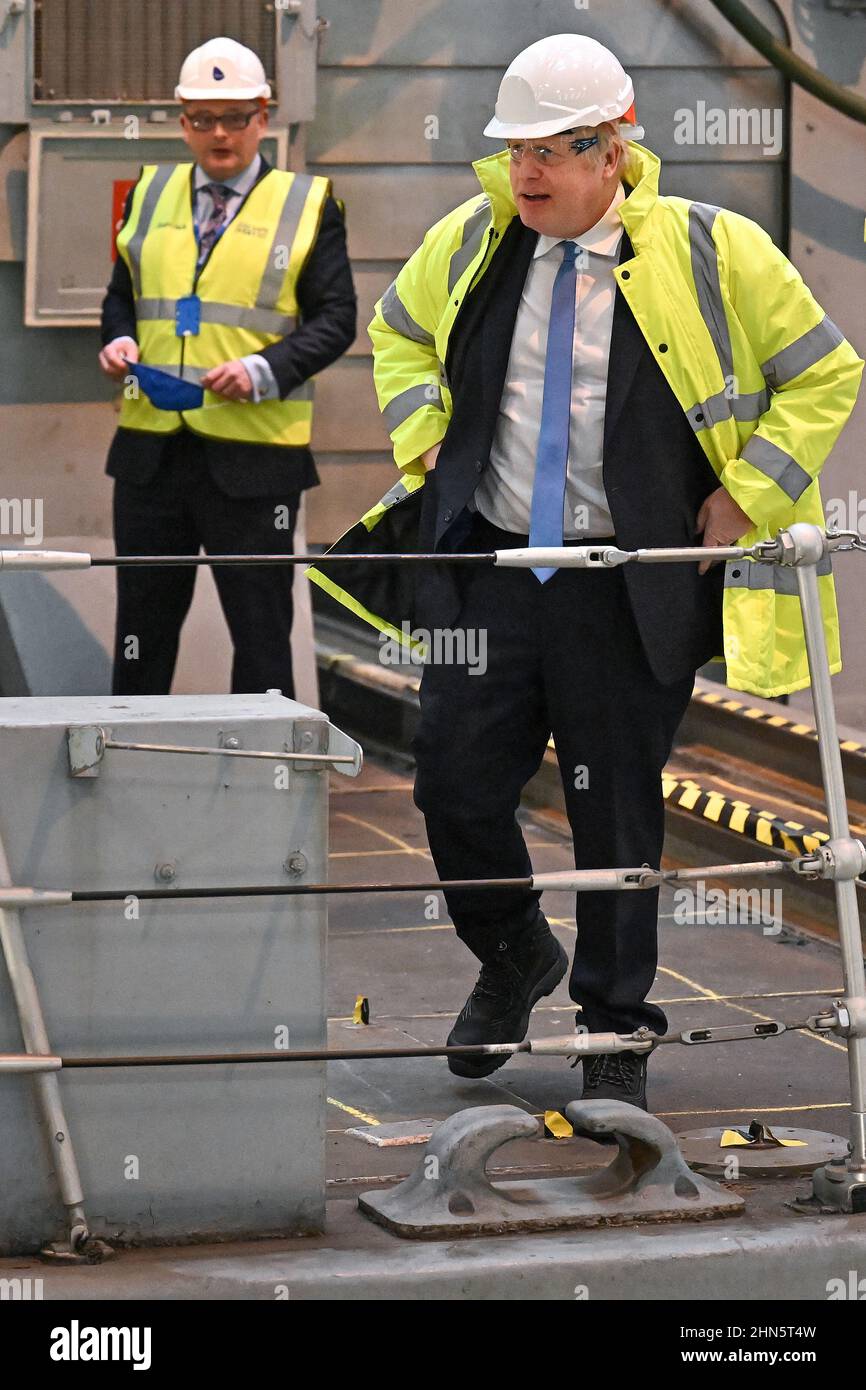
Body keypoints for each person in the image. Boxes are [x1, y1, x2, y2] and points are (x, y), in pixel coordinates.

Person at [307, 34, 863, 1112]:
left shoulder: (715, 248)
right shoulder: (474, 238)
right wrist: (428, 449)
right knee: (452, 783)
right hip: (500, 568)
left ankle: (616, 1032)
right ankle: (511, 952)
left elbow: (822, 368)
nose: (523, 175)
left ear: (614, 149)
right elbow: (397, 331)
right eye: (514, 151)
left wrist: (749, 490)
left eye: (549, 153)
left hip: (622, 580)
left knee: (612, 820)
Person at [99, 36, 356, 698]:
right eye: (204, 119)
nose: (221, 134)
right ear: (183, 122)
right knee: (140, 635)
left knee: (263, 639)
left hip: (254, 463)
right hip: (151, 458)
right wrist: (118, 342)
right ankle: (130, 776)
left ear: (263, 116)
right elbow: (122, 298)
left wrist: (262, 370)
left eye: (236, 117)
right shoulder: (148, 195)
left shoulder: (307, 205)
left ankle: (265, 786)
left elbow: (336, 321)